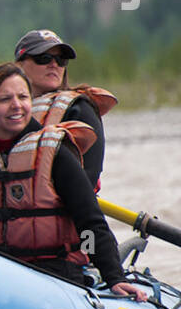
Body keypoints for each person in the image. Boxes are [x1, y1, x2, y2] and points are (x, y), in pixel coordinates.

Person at [0, 63, 146, 300]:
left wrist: (114, 278)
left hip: (55, 275)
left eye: (22, 97)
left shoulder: (56, 151)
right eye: (5, 99)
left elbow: (90, 222)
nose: (16, 105)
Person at [14, 29, 117, 192]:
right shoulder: (0, 111)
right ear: (19, 65)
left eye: (61, 60)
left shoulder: (80, 110)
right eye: (44, 58)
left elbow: (88, 176)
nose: (54, 64)